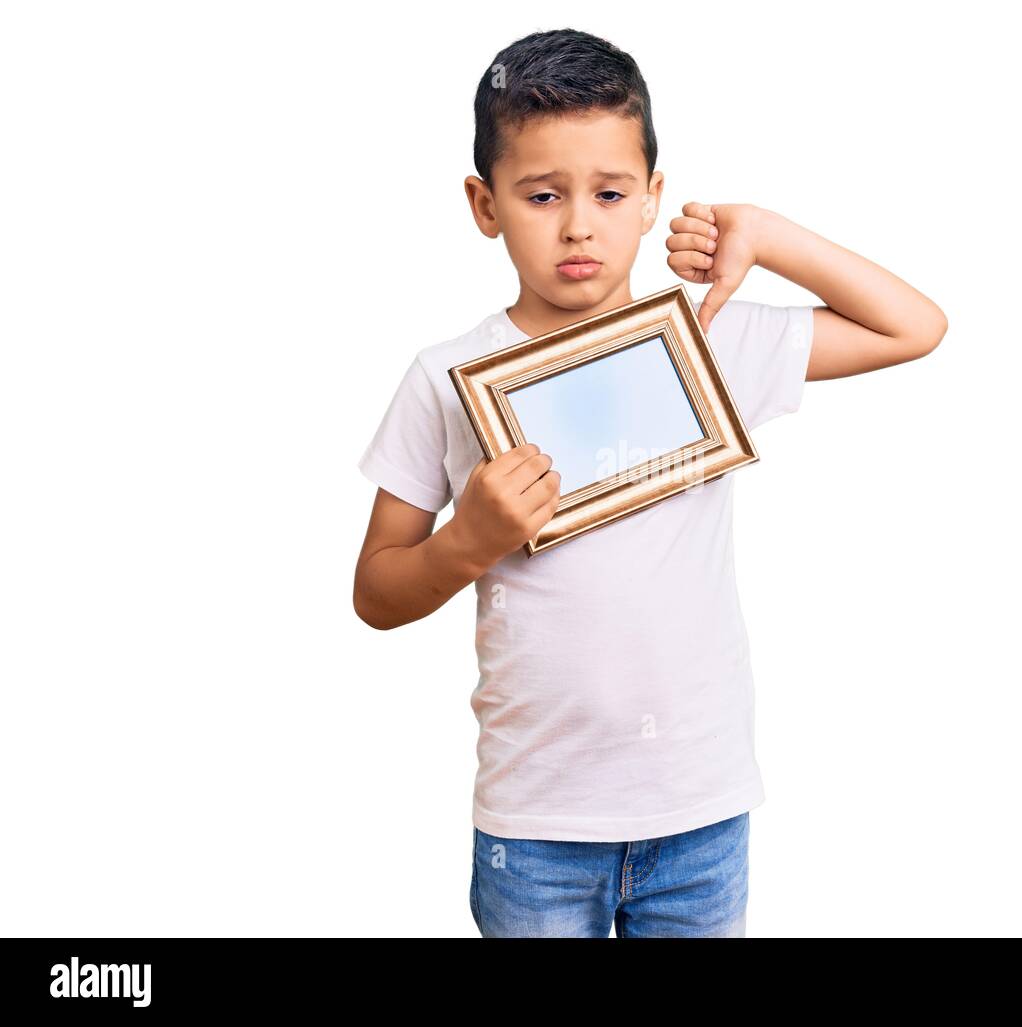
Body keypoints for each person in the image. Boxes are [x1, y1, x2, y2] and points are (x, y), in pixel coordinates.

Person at [352, 27, 947, 938]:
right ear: (485, 203)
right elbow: (376, 591)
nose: (579, 224)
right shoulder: (446, 377)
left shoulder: (704, 341)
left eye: (611, 192)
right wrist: (465, 542)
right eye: (542, 195)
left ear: (653, 199)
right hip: (536, 826)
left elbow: (913, 327)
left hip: (700, 809)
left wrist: (767, 233)